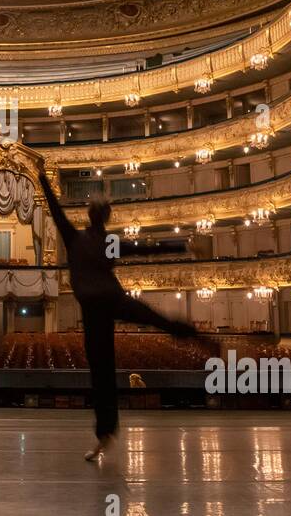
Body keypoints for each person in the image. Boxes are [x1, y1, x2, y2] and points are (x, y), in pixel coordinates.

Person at [38, 169, 203, 461]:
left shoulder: (74, 239)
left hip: (95, 310)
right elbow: (144, 250)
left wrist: (42, 181)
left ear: (91, 217)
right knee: (154, 319)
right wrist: (182, 245)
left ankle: (105, 434)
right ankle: (188, 333)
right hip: (112, 301)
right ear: (106, 218)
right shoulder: (102, 242)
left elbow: (55, 210)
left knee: (101, 373)